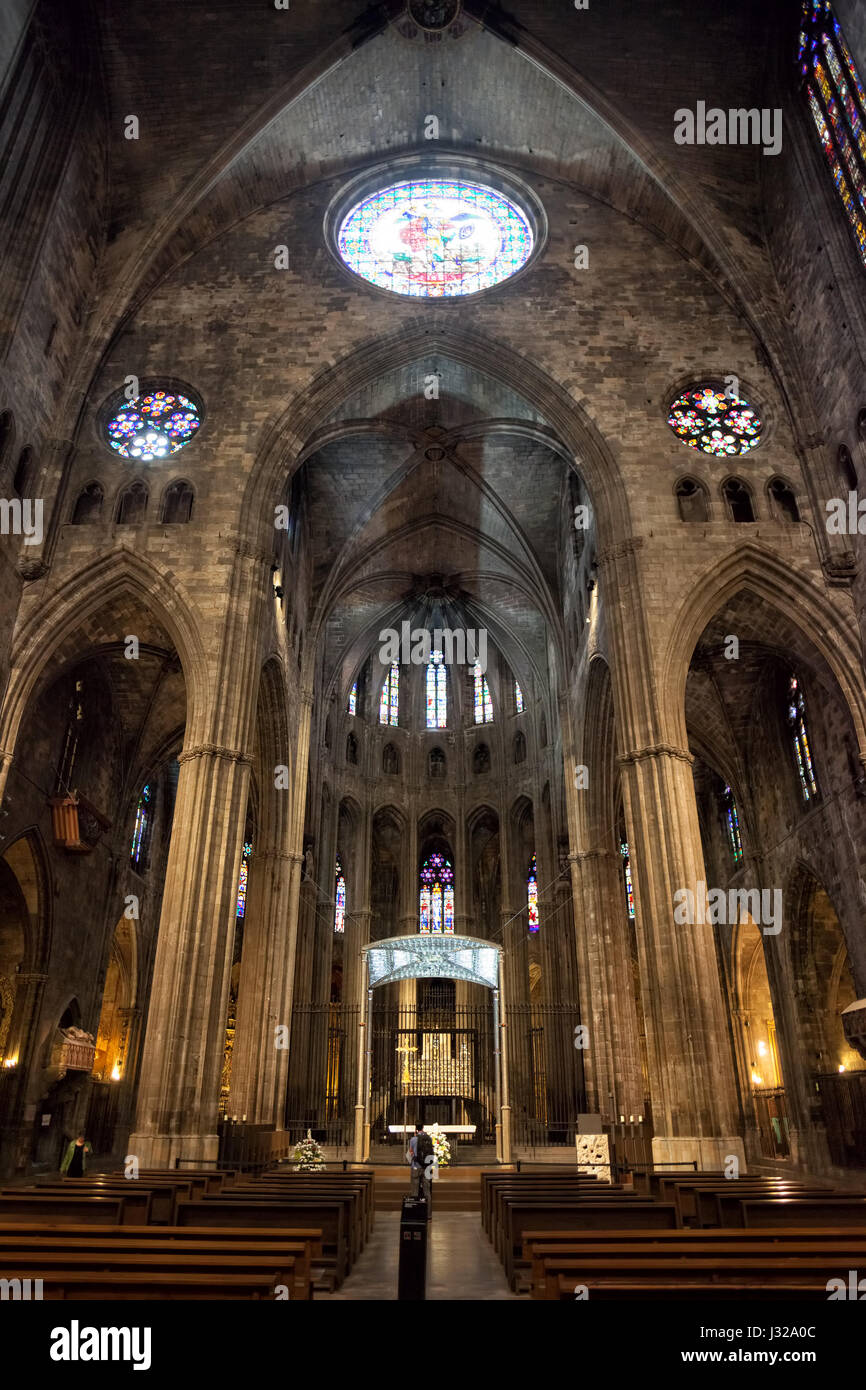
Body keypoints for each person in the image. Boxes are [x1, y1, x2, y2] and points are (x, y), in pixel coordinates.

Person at [408, 1122, 434, 1203]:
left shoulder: (413, 1139)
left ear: (416, 1129)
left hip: (416, 1166)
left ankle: (415, 1212)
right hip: (426, 1167)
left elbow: (410, 1153)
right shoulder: (429, 1138)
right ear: (423, 1128)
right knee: (427, 1191)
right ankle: (428, 1213)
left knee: (415, 1191)